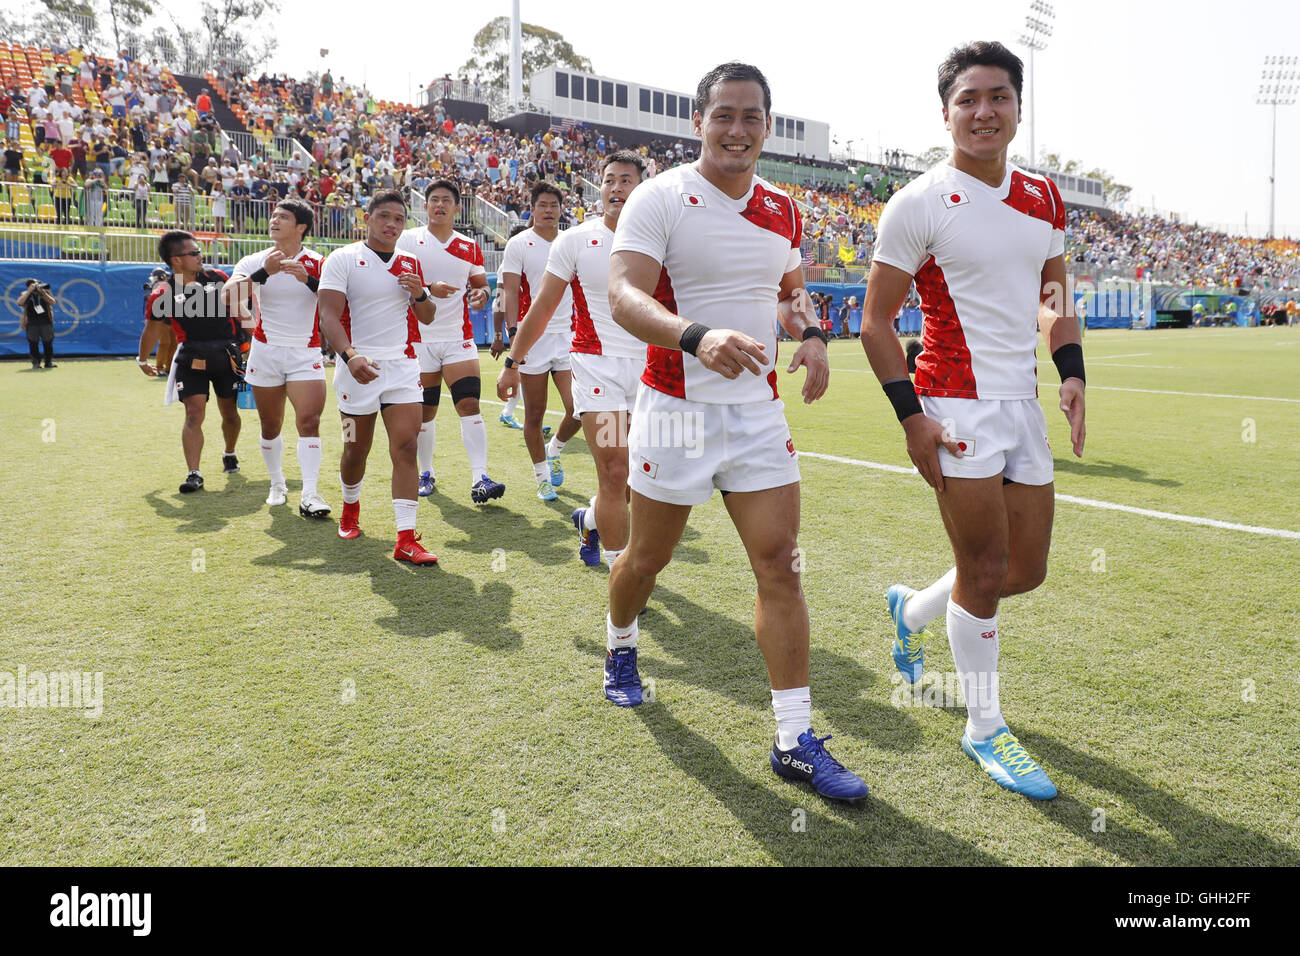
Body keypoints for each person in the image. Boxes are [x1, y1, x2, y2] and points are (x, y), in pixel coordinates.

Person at [601, 62, 868, 803]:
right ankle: (621, 645)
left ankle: (793, 740)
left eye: (752, 116)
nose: (738, 129)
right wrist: (695, 337)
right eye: (724, 114)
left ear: (767, 126)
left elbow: (789, 290)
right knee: (647, 559)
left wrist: (810, 332)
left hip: (755, 411)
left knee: (780, 564)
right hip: (677, 408)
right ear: (698, 122)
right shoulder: (659, 197)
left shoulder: (783, 206)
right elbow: (622, 295)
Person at [861, 41, 1086, 801]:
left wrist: (1072, 371)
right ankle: (983, 728)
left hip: (1022, 402)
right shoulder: (919, 201)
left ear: (1018, 108)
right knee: (987, 572)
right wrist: (910, 417)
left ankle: (914, 609)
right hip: (952, 404)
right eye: (968, 100)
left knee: (1025, 571)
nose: (983, 111)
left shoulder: (1045, 197)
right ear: (946, 111)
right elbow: (875, 322)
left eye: (998, 97)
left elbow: (1052, 297)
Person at [497, 150, 646, 565]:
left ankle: (589, 520)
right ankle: (622, 575)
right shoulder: (576, 240)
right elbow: (541, 308)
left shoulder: (664, 237)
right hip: (595, 365)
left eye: (626, 180)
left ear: (641, 187)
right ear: (600, 188)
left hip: (650, 369)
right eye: (610, 179)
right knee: (615, 472)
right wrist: (513, 362)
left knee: (637, 479)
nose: (617, 188)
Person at [316, 189, 440, 563]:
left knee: (405, 448)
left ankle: (406, 538)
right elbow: (328, 318)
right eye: (384, 216)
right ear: (366, 218)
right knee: (356, 448)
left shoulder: (410, 261)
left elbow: (428, 316)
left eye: (399, 219)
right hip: (356, 370)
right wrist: (350, 356)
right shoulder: (343, 259)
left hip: (402, 369)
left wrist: (421, 294)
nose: (391, 224)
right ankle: (350, 508)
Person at [396, 179, 504, 504]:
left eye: (446, 200)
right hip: (419, 341)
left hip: (458, 339)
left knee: (469, 405)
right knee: (425, 413)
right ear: (425, 206)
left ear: (457, 208)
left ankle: (480, 477)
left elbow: (483, 285)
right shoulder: (408, 241)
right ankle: (425, 473)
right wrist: (429, 288)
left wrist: (481, 295)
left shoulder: (468, 246)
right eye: (434, 200)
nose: (439, 205)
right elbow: (396, 281)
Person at [224, 199, 331, 518]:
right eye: (273, 216)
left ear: (301, 227)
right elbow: (227, 296)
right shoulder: (254, 260)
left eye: (282, 217)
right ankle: (277, 484)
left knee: (309, 423)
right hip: (266, 352)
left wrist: (307, 280)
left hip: (306, 353)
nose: (274, 220)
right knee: (271, 425)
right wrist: (262, 273)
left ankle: (310, 493)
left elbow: (338, 301)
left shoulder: (319, 262)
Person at [139, 230, 245, 493]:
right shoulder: (163, 292)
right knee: (194, 414)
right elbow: (151, 329)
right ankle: (194, 473)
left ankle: (229, 451)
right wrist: (142, 360)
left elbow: (241, 310)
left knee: (230, 412)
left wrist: (252, 343)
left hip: (226, 355)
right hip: (191, 356)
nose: (201, 256)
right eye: (195, 252)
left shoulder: (218, 278)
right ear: (176, 260)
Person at [498, 181, 583, 500]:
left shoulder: (571, 241)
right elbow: (509, 290)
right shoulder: (519, 244)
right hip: (532, 338)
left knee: (578, 409)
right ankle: (542, 477)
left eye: (554, 205)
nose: (548, 210)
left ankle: (555, 449)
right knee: (534, 414)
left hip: (569, 337)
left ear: (561, 210)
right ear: (531, 209)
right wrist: (512, 333)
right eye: (542, 205)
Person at [18, 279, 57, 369]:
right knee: (33, 343)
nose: (36, 287)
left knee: (48, 343)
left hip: (46, 321)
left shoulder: (44, 293)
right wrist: (29, 291)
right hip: (32, 323)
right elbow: (20, 302)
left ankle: (48, 362)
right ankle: (36, 363)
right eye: (34, 285)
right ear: (28, 286)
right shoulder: (25, 294)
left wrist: (43, 293)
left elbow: (53, 302)